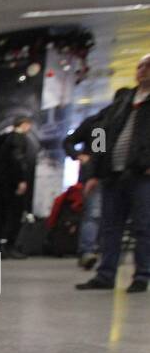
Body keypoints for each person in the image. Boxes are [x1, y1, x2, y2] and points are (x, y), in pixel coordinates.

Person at [75, 53, 150, 293]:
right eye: (141, 66)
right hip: (113, 174)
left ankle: (142, 275)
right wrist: (94, 171)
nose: (143, 70)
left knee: (143, 226)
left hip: (142, 175)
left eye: (148, 66)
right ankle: (105, 274)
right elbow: (101, 133)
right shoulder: (122, 100)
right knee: (110, 227)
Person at [0, 116, 34, 259]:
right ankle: (10, 245)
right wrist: (21, 179)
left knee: (0, 215)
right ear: (24, 124)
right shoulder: (18, 139)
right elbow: (17, 159)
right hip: (12, 183)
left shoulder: (2, 139)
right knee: (15, 214)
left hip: (0, 183)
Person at [64, 111, 104, 269]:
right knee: (94, 214)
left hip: (100, 175)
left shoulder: (98, 122)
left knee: (94, 215)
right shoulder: (100, 124)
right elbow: (98, 152)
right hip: (99, 176)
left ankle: (89, 251)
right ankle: (88, 250)